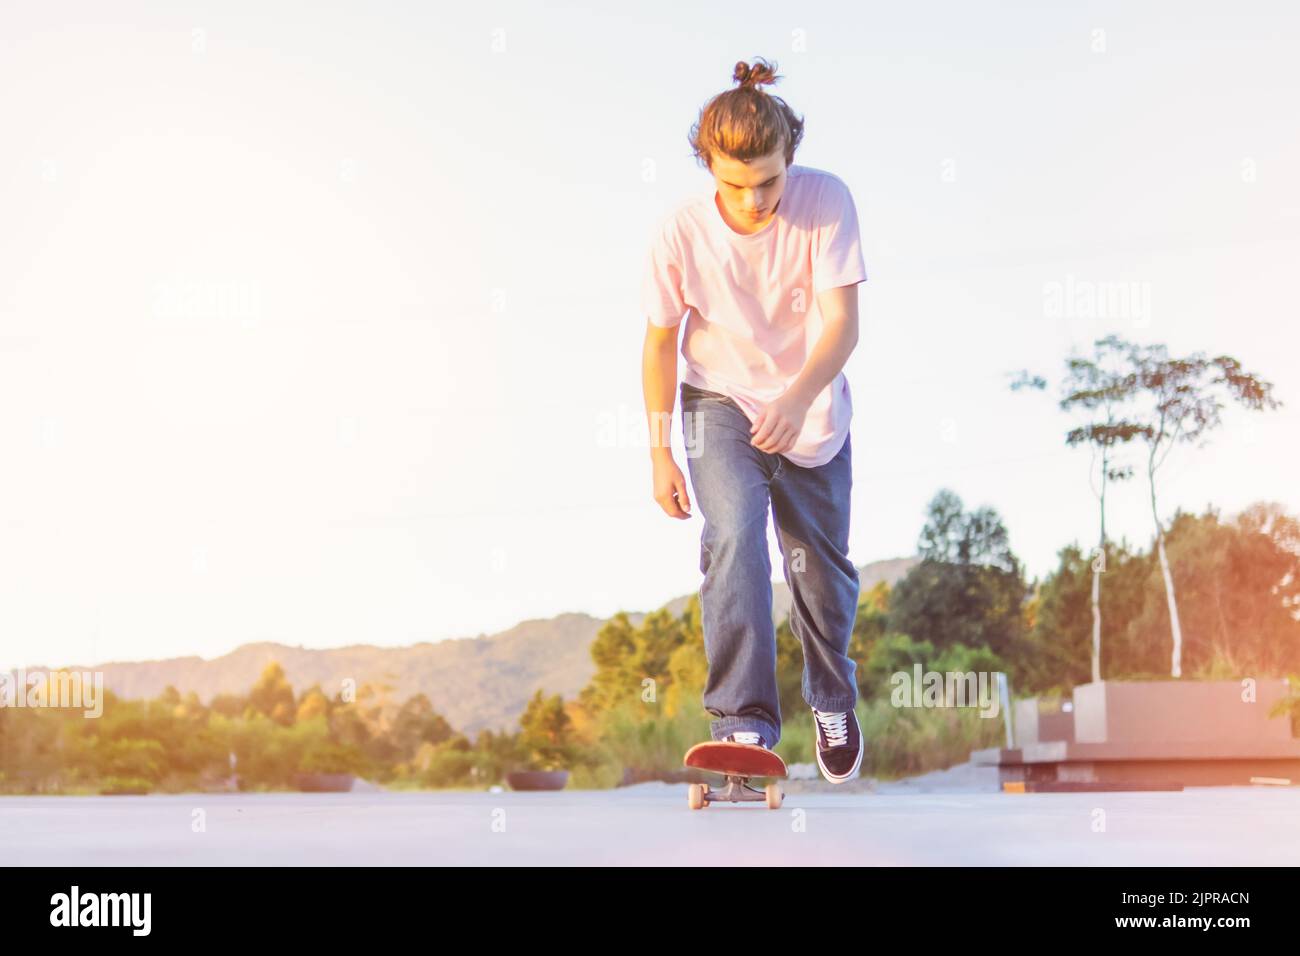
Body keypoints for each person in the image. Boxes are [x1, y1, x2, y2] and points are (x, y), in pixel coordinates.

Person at [641, 57, 867, 784]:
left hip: (811, 404)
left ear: (789, 159)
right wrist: (659, 453)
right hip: (717, 401)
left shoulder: (826, 202)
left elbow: (841, 325)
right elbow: (659, 342)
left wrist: (799, 395)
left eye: (769, 181)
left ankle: (832, 700)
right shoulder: (680, 233)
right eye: (734, 185)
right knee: (734, 532)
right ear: (708, 165)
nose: (754, 200)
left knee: (820, 573)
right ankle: (743, 720)